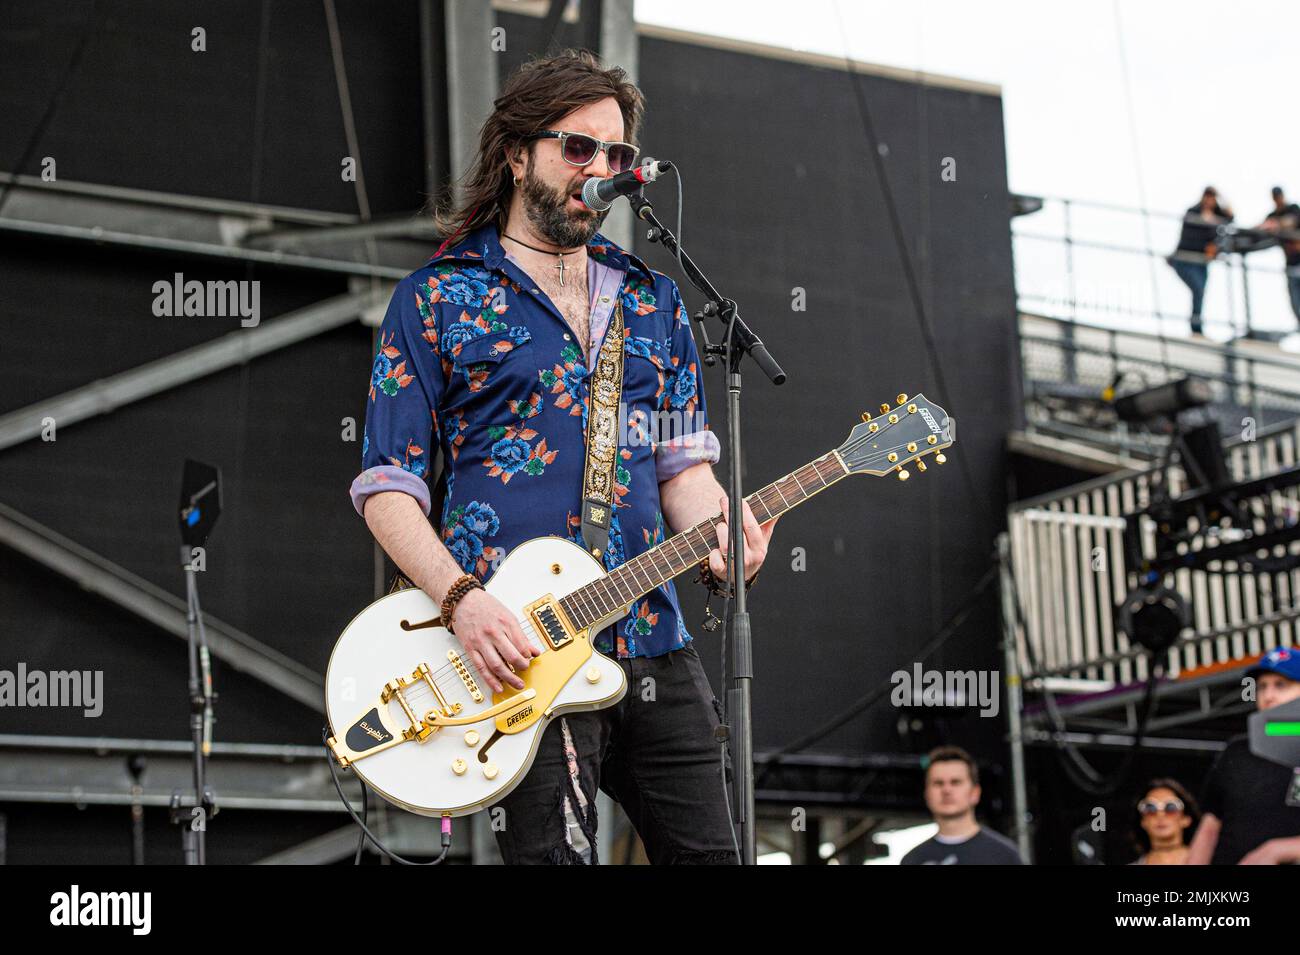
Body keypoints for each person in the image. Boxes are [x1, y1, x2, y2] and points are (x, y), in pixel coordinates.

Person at [349, 49, 777, 865]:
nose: (600, 169)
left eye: (616, 156)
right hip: (511, 649)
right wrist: (461, 601)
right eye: (577, 148)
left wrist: (725, 532)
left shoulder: (654, 301)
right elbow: (386, 486)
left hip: (652, 635)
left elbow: (683, 470)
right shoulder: (438, 298)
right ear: (517, 155)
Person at [1186, 647, 1300, 865]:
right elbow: (1211, 824)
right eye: (1262, 686)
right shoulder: (1237, 749)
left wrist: (1279, 850)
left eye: (1281, 685)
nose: (1269, 695)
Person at [900, 746, 1024, 864]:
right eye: (938, 783)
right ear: (927, 794)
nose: (946, 790)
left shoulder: (1004, 856)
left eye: (955, 782)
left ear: (975, 793)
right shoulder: (913, 860)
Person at [1168, 186, 1233, 336]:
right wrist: (1208, 221)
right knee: (1198, 289)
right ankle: (1196, 327)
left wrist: (1221, 196)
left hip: (1201, 263)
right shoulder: (1193, 212)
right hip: (1185, 260)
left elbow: (1231, 217)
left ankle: (1196, 327)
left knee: (1200, 293)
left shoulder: (1216, 212)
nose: (1210, 200)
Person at [1255, 186, 1300, 328]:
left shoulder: (1293, 209)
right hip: (1291, 264)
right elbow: (1260, 229)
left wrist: (1276, 225)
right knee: (1295, 301)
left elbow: (1292, 220)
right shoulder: (1272, 215)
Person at [1129, 778, 1199, 865]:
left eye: (1171, 807)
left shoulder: (1210, 860)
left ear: (1186, 819)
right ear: (1143, 821)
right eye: (1150, 808)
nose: (1160, 815)